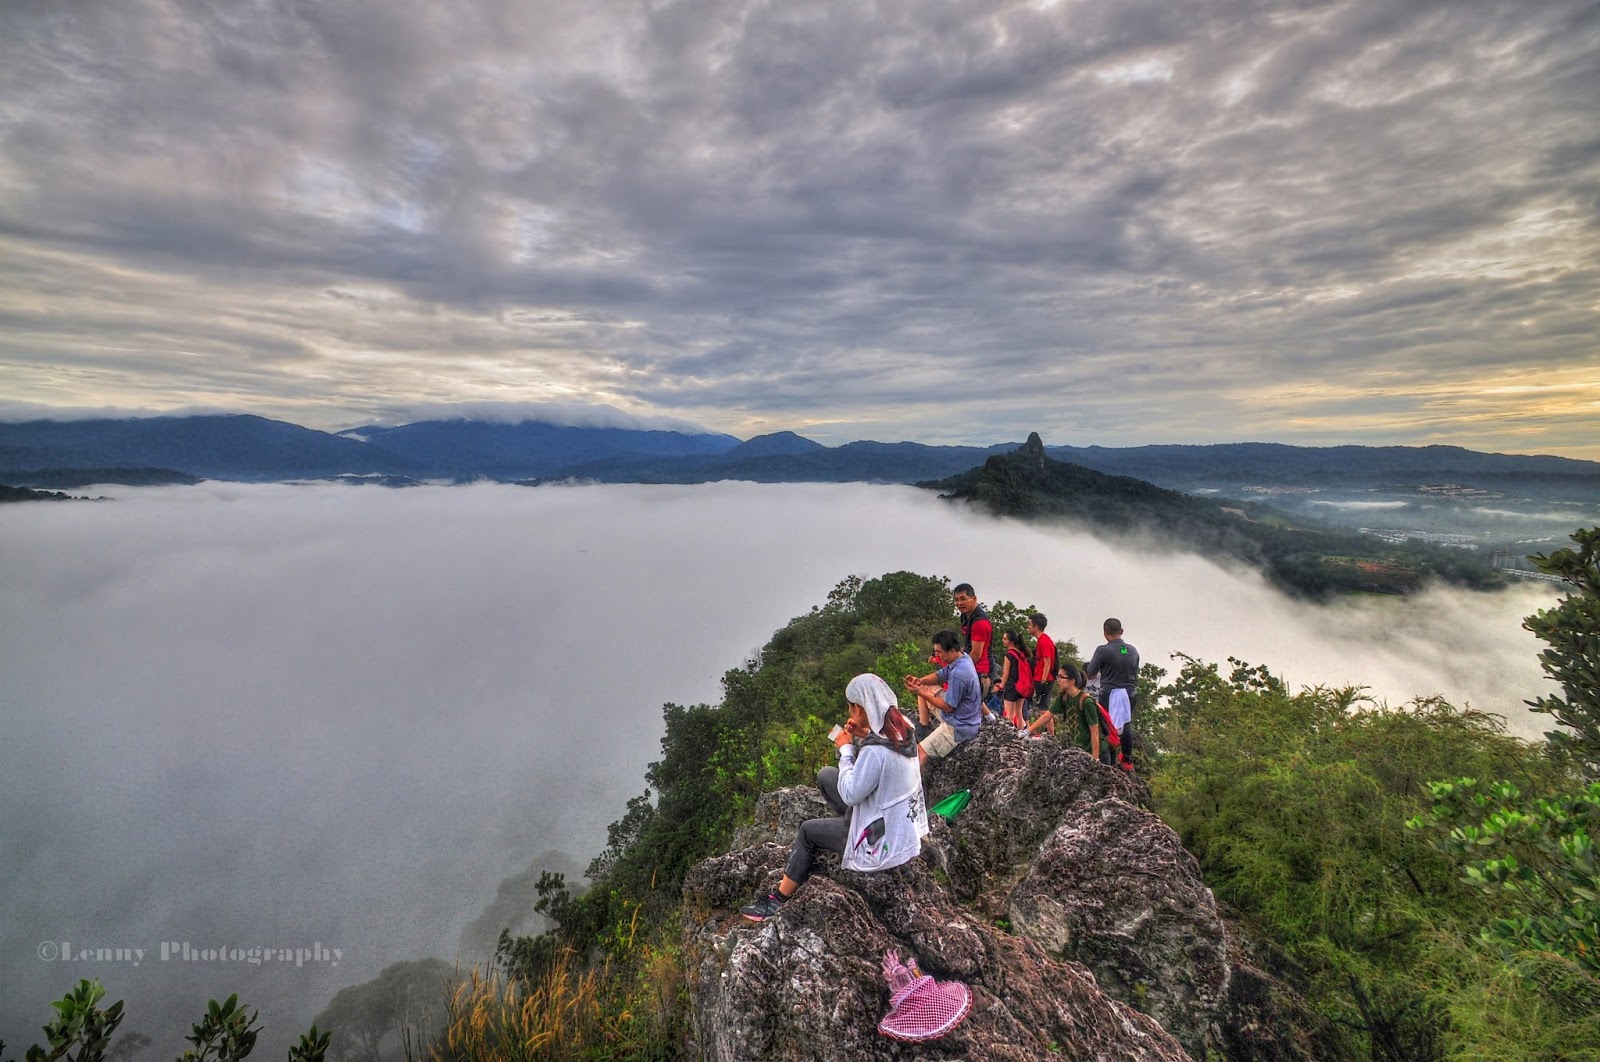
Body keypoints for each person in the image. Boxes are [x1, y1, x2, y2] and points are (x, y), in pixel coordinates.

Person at [740, 674, 930, 921]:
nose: (849, 710)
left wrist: (846, 750)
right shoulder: (902, 726)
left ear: (859, 707)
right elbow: (880, 763)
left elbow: (851, 794)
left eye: (851, 706)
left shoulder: (874, 752)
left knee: (808, 832)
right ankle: (846, 826)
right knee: (827, 776)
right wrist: (863, 732)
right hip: (900, 822)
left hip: (880, 841)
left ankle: (777, 900)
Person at [905, 629, 983, 765]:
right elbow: (940, 675)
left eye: (939, 652)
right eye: (935, 652)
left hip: (959, 726)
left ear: (952, 650)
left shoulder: (960, 673)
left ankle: (916, 784)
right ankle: (924, 727)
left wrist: (920, 692)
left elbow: (948, 707)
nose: (937, 656)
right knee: (926, 688)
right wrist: (920, 681)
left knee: (920, 752)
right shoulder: (963, 657)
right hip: (960, 713)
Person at [1085, 618, 1140, 763]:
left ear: (1105, 632)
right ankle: (1127, 758)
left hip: (1110, 693)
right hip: (1130, 693)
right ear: (1121, 632)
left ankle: (1111, 761)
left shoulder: (1103, 650)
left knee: (1107, 727)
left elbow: (1090, 672)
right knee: (1126, 722)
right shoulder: (1133, 650)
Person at [1027, 663, 1102, 760]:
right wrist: (1027, 731)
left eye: (1061, 677)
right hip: (1077, 752)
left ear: (1072, 681)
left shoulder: (1086, 702)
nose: (1058, 680)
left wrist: (1095, 760)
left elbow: (1095, 732)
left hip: (1093, 752)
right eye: (1058, 677)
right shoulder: (1064, 697)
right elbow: (1047, 716)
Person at [953, 584, 996, 707]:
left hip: (980, 673)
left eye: (963, 598)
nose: (959, 603)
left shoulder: (980, 622)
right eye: (956, 599)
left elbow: (976, 654)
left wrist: (956, 668)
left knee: (964, 710)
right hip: (971, 669)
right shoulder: (966, 617)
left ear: (974, 599)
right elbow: (968, 646)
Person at [998, 629, 1032, 729]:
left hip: (1011, 687)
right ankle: (1021, 733)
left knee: (1009, 714)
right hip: (1021, 687)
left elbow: (1006, 673)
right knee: (1019, 713)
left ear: (1011, 641)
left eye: (1005, 639)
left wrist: (1002, 685)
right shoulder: (1021, 654)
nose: (1003, 640)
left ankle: (1010, 736)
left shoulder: (1009, 655)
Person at [1027, 613, 1056, 722]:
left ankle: (1051, 735)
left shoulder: (1044, 641)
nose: (1028, 627)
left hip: (1045, 678)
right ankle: (1050, 734)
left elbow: (1047, 662)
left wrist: (1043, 681)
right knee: (1042, 709)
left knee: (1044, 709)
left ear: (1036, 627)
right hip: (1042, 677)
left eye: (1029, 624)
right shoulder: (1042, 640)